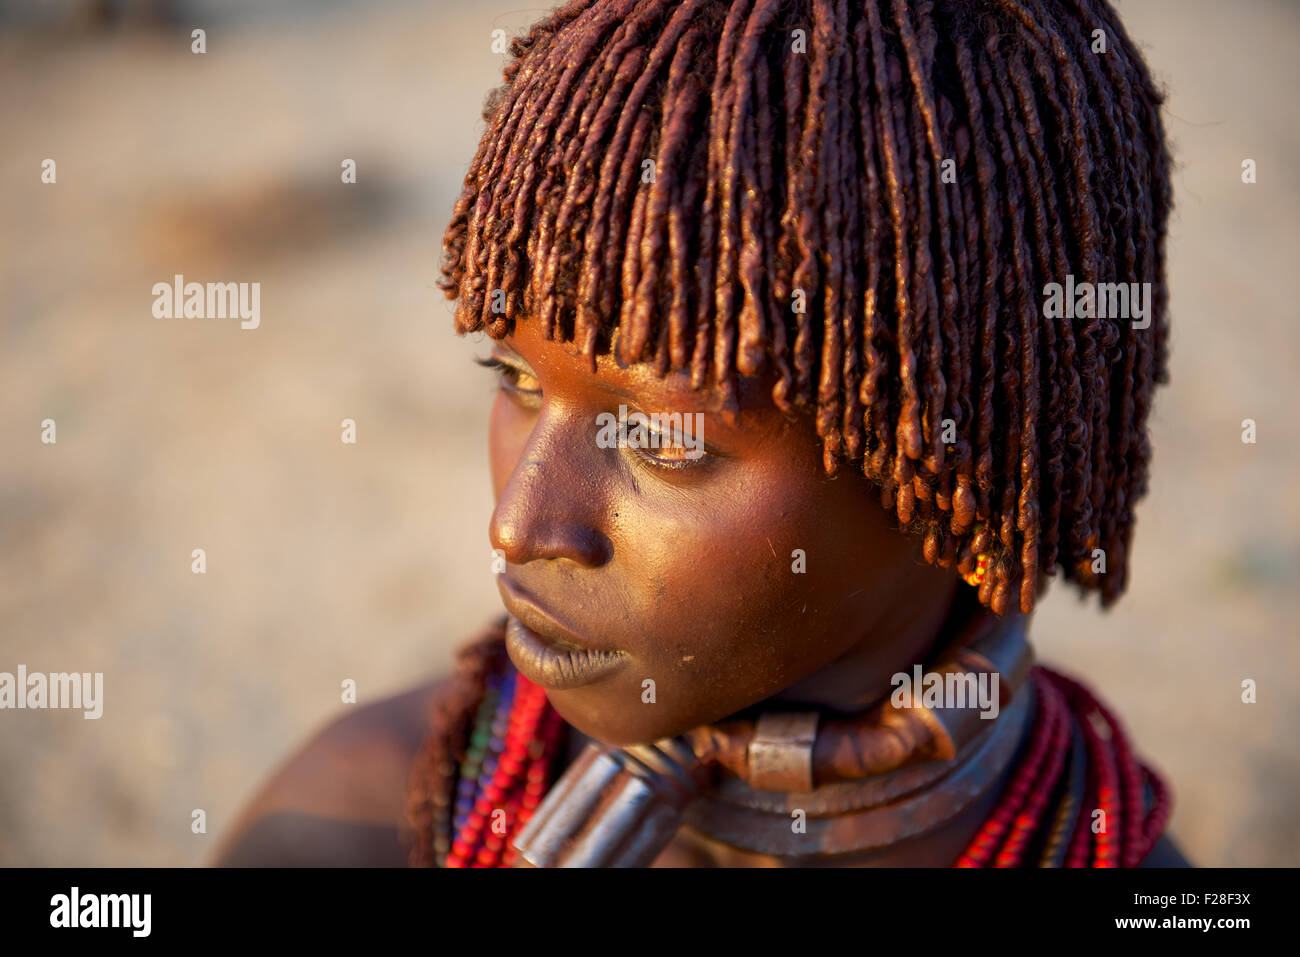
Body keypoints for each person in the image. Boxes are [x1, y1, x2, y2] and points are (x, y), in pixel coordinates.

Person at [213, 0, 1188, 867]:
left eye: (666, 443)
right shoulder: (352, 827)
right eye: (515, 378)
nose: (518, 525)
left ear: (960, 455)